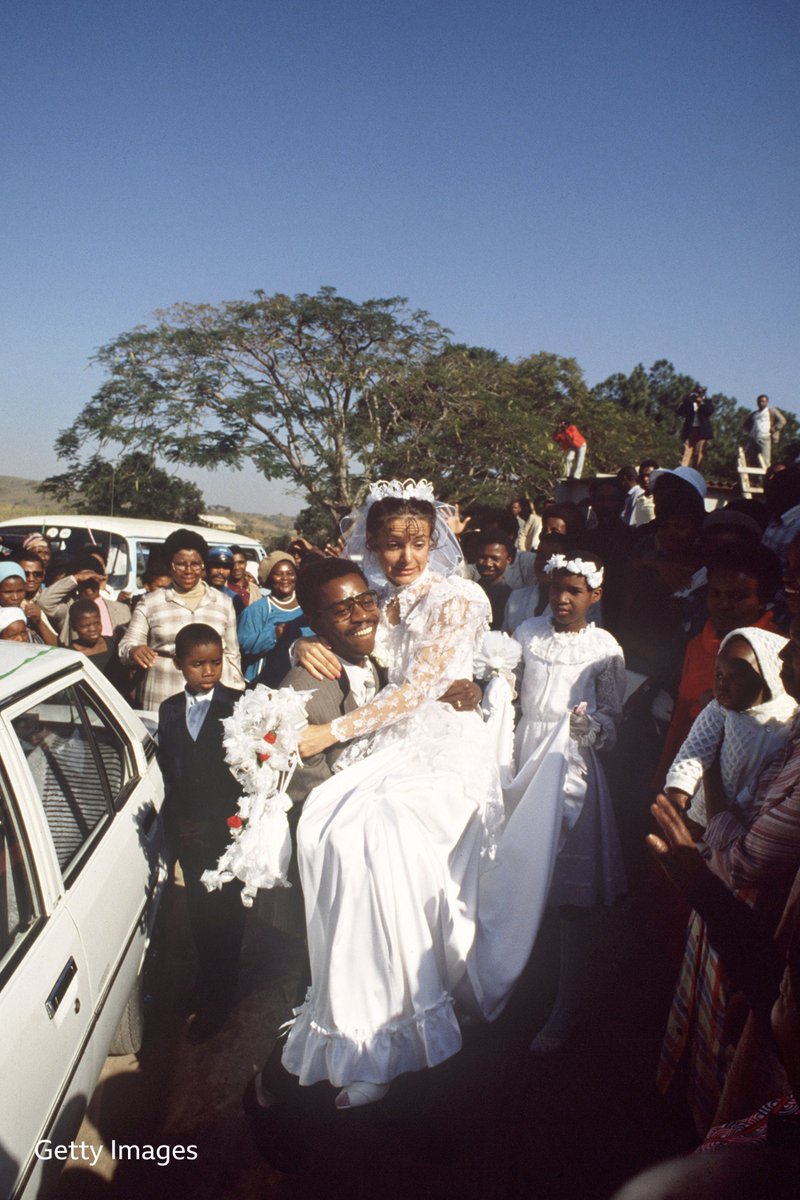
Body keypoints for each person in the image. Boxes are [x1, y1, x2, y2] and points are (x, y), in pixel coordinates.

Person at [280, 481, 557, 1111]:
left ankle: (400, 1019)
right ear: (371, 546)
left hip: (444, 740)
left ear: (435, 540)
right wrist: (302, 639)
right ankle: (350, 1010)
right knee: (327, 826)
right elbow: (338, 622)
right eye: (390, 545)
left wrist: (331, 729)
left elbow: (422, 686)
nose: (404, 557)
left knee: (384, 834)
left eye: (417, 542)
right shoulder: (374, 593)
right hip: (389, 739)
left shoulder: (458, 596)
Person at [512, 549, 627, 1052]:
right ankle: (509, 983)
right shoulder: (526, 634)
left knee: (568, 894)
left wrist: (588, 726)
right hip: (522, 756)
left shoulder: (604, 648)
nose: (562, 598)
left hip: (569, 763)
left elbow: (613, 722)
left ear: (595, 595)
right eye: (556, 587)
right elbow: (510, 694)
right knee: (515, 877)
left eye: (574, 591)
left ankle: (567, 1001)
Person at [157, 623, 247, 1043]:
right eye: (197, 664)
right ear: (179, 665)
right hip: (188, 833)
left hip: (224, 829)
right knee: (198, 911)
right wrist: (178, 821)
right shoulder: (170, 708)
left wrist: (216, 823)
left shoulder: (239, 704)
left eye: (215, 662)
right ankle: (207, 978)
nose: (208, 672)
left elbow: (243, 777)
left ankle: (219, 997)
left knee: (226, 916)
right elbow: (172, 769)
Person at [118, 529, 244, 710]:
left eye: (195, 564)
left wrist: (235, 689)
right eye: (181, 564)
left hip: (212, 697)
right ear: (171, 566)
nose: (189, 570)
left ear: (203, 566)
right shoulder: (151, 601)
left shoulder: (223, 603)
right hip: (163, 693)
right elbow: (126, 646)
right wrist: (134, 650)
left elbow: (232, 654)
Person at [239, 552, 311, 685]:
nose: (285, 578)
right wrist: (274, 634)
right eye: (278, 574)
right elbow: (244, 646)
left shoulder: (309, 605)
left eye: (290, 573)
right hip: (266, 683)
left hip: (302, 679)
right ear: (269, 578)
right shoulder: (256, 610)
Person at [39, 552, 130, 647]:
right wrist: (76, 578)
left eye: (92, 579)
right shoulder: (69, 608)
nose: (88, 585)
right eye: (84, 581)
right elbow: (43, 602)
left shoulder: (122, 609)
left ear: (100, 579)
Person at [0, 561, 57, 645]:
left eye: (20, 591)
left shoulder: (29, 608)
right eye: (8, 592)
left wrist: (39, 621)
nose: (15, 597)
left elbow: (54, 645)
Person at [744, 394, 787, 468]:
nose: (761, 403)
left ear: (767, 402)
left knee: (765, 460)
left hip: (765, 437)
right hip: (753, 438)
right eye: (759, 401)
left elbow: (782, 421)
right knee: (752, 459)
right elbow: (746, 424)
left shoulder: (771, 411)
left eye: (763, 401)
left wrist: (774, 428)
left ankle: (765, 478)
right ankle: (755, 478)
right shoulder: (754, 414)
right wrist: (750, 431)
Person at [678, 384, 714, 468]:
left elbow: (709, 412)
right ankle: (681, 471)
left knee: (699, 453)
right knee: (685, 451)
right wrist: (687, 400)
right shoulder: (689, 402)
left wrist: (701, 403)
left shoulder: (707, 402)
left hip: (702, 432)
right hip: (690, 430)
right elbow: (680, 412)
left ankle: (695, 472)